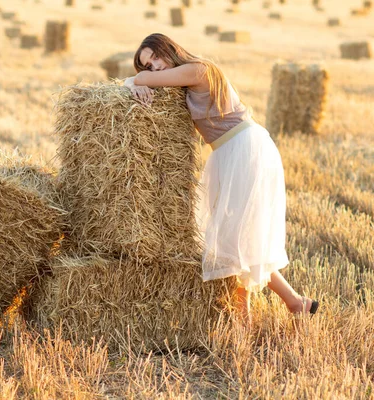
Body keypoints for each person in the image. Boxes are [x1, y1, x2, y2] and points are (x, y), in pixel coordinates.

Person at [123, 33, 319, 322]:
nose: (153, 66)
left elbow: (141, 81)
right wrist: (135, 81)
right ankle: (291, 302)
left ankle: (251, 316)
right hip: (228, 152)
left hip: (244, 148)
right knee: (235, 236)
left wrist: (133, 80)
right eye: (147, 64)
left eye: (155, 57)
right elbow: (144, 81)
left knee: (237, 235)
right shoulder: (184, 78)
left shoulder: (198, 69)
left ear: (169, 49)